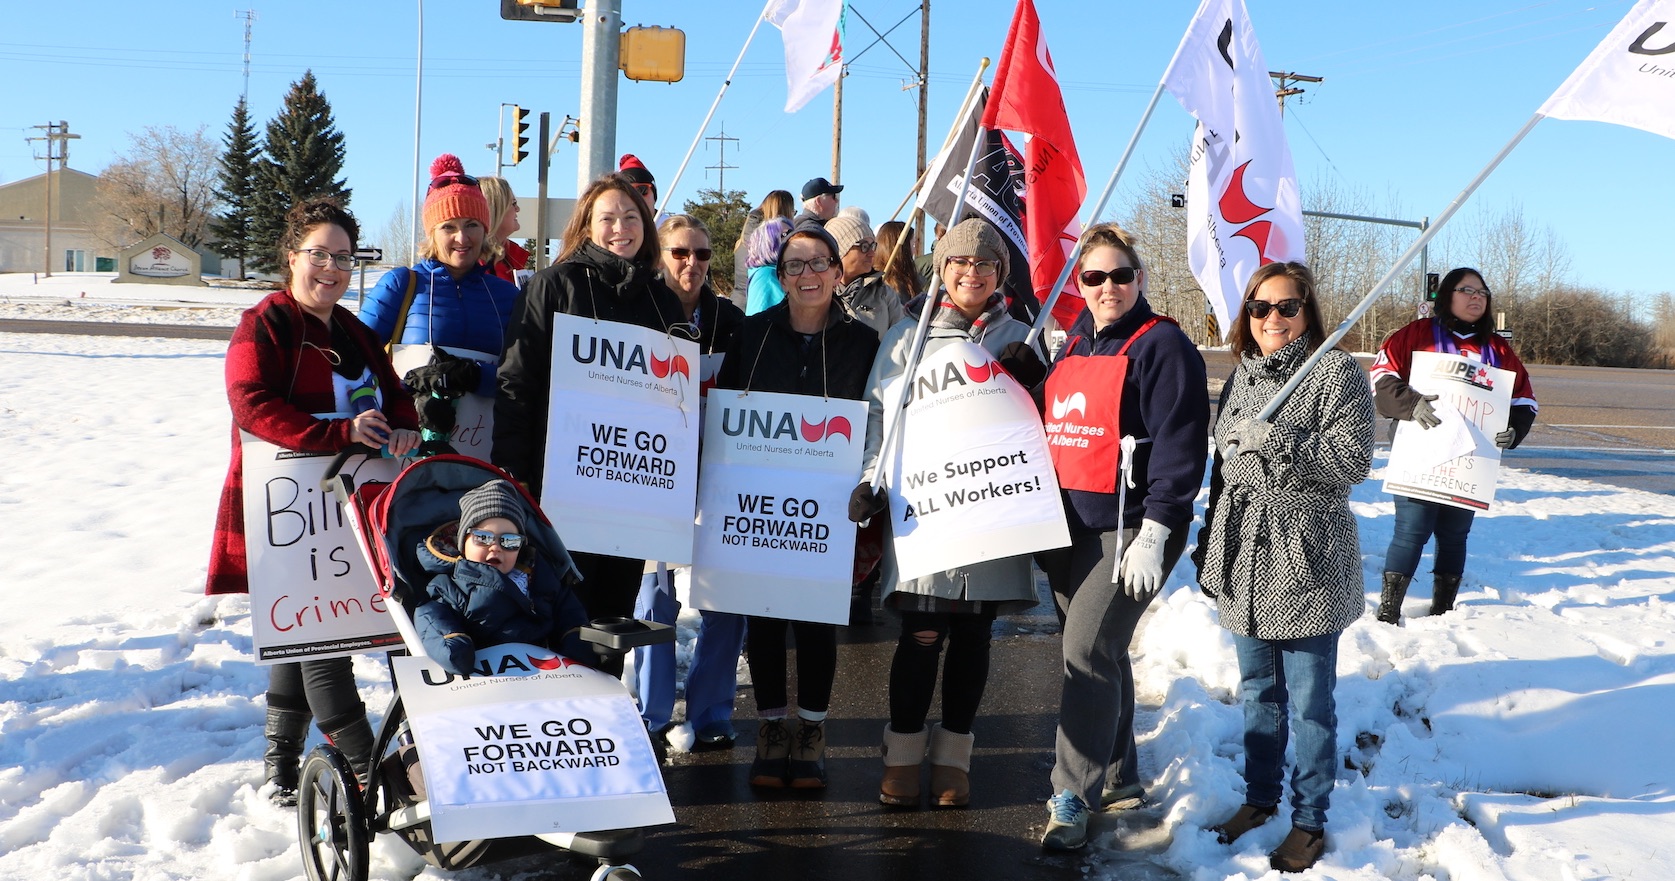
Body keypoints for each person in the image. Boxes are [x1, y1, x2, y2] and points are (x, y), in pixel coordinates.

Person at [207, 197, 421, 805]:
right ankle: (363, 771)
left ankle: (279, 763)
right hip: (287, 503)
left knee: (306, 629)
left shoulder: (354, 331)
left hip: (352, 502)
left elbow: (395, 395)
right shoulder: (265, 323)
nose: (330, 269)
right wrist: (337, 434)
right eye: (318, 255)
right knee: (321, 636)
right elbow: (251, 402)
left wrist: (402, 426)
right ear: (291, 257)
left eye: (343, 258)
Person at [850, 218, 1040, 809]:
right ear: (942, 266)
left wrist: (1036, 381)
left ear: (1000, 273)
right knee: (923, 632)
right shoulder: (907, 335)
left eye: (986, 264)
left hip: (992, 508)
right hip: (925, 509)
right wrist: (869, 476)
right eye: (960, 261)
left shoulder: (1021, 335)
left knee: (973, 636)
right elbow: (877, 413)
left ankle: (954, 755)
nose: (972, 273)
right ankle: (903, 753)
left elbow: (1042, 422)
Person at [1193, 262, 1374, 873]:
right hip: (1244, 550)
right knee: (1257, 694)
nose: (1273, 318)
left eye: (1287, 307)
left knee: (1310, 703)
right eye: (1260, 308)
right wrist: (1207, 544)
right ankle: (1259, 799)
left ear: (1308, 312)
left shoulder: (1336, 372)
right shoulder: (1242, 375)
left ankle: (1310, 820)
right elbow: (1226, 465)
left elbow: (1351, 464)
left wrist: (1279, 443)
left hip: (1306, 558)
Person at [1032, 224, 1209, 850]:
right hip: (1069, 528)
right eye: (1094, 277)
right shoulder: (1073, 342)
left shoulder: (1164, 346)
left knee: (1084, 653)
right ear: (1078, 285)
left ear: (1141, 280)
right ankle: (1116, 773)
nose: (1108, 287)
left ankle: (1071, 796)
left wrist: (1158, 527)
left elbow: (1183, 446)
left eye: (1120, 275)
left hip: (1129, 528)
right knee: (1101, 653)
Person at [494, 173, 690, 676]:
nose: (620, 228)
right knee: (561, 619)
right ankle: (559, 726)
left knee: (611, 627)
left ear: (646, 225)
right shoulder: (552, 285)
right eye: (607, 218)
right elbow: (517, 382)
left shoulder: (661, 301)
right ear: (585, 225)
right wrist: (513, 472)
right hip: (560, 489)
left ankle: (601, 732)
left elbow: (678, 403)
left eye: (630, 217)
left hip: (631, 490)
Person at [715, 221, 881, 789]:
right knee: (762, 618)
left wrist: (866, 485)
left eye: (817, 264)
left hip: (828, 509)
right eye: (794, 266)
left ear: (838, 274)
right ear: (779, 276)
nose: (806, 275)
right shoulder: (753, 333)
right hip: (758, 505)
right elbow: (725, 412)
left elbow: (876, 422)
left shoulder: (864, 342)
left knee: (814, 622)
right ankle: (770, 728)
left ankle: (811, 730)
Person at [633, 214, 748, 747]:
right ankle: (652, 713)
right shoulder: (639, 312)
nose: (692, 264)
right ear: (660, 257)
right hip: (655, 476)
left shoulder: (730, 318)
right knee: (655, 600)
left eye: (702, 255)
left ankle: (712, 711)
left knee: (726, 595)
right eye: (680, 253)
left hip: (718, 475)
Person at [1371, 267, 1538, 624]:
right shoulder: (1416, 334)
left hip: (1469, 463)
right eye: (1467, 290)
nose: (1477, 297)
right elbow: (1382, 378)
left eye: (1482, 292)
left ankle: (1443, 608)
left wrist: (1514, 428)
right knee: (1411, 531)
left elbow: (1524, 399)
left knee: (1454, 534)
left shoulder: (1496, 348)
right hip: (1420, 456)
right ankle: (1388, 610)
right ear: (1447, 295)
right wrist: (1410, 403)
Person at [359, 155, 521, 455]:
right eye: (449, 227)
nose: (462, 237)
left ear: (486, 228)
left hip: (485, 455)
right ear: (432, 232)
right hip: (406, 452)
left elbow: (523, 378)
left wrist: (475, 376)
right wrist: (400, 399)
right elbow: (356, 363)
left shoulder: (506, 295)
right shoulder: (401, 284)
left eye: (472, 224)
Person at [412, 479, 592, 674]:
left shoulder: (541, 579)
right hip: (483, 674)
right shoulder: (449, 586)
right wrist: (453, 644)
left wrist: (577, 641)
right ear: (463, 543)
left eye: (509, 540)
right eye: (483, 537)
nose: (496, 547)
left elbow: (568, 611)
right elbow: (430, 616)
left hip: (543, 670)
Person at [827, 213, 906, 339]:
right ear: (840, 251)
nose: (871, 253)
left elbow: (903, 338)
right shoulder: (819, 294)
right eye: (864, 247)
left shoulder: (883, 294)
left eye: (873, 246)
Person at [731, 189, 795, 310]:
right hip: (755, 302)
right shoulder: (768, 272)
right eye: (793, 212)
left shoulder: (745, 236)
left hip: (740, 301)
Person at [479, 175, 528, 285]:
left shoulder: (510, 258)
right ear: (495, 210)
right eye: (513, 203)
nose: (518, 209)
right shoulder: (474, 266)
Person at [742, 216, 794, 315]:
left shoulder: (776, 273)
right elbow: (758, 324)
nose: (794, 238)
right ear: (768, 242)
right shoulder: (767, 276)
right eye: (787, 234)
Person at [875, 220, 922, 304]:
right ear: (903, 248)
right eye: (913, 244)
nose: (915, 251)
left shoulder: (908, 279)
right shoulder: (880, 285)